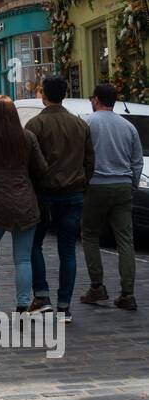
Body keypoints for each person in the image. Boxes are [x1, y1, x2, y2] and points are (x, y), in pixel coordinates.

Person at [0, 95, 48, 315]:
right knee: (22, 258)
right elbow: (42, 169)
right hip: (24, 203)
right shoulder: (28, 137)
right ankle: (23, 306)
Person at [26, 75, 94, 321]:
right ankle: (64, 307)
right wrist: (83, 184)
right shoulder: (80, 125)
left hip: (44, 193)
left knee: (35, 244)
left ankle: (42, 295)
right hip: (74, 193)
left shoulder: (35, 125)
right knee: (68, 251)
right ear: (64, 94)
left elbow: (29, 164)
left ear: (44, 94)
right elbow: (89, 161)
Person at [80, 82, 144, 312]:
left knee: (89, 235)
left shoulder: (87, 122)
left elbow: (81, 156)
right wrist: (132, 183)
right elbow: (137, 161)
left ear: (96, 99)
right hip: (122, 186)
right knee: (125, 239)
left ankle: (97, 286)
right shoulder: (128, 127)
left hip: (95, 185)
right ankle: (127, 293)